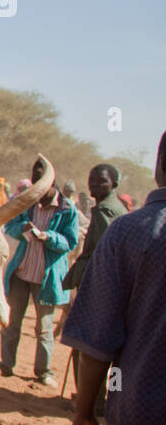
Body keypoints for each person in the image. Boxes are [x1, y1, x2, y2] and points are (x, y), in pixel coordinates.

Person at [65, 131, 166, 425]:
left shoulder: (128, 231)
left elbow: (97, 342)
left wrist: (85, 412)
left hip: (145, 420)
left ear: (160, 165)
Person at [0, 158, 81, 384]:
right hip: (21, 273)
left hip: (47, 278)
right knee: (12, 322)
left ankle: (44, 372)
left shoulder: (67, 210)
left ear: (52, 186)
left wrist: (46, 237)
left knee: (44, 328)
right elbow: (9, 226)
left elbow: (69, 242)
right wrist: (22, 229)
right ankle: (6, 366)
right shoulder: (28, 203)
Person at [61, 164, 128, 386]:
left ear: (114, 184)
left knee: (87, 343)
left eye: (101, 180)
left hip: (99, 286)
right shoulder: (113, 208)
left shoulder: (104, 211)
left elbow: (102, 254)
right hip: (108, 287)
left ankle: (89, 399)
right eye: (92, 179)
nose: (94, 184)